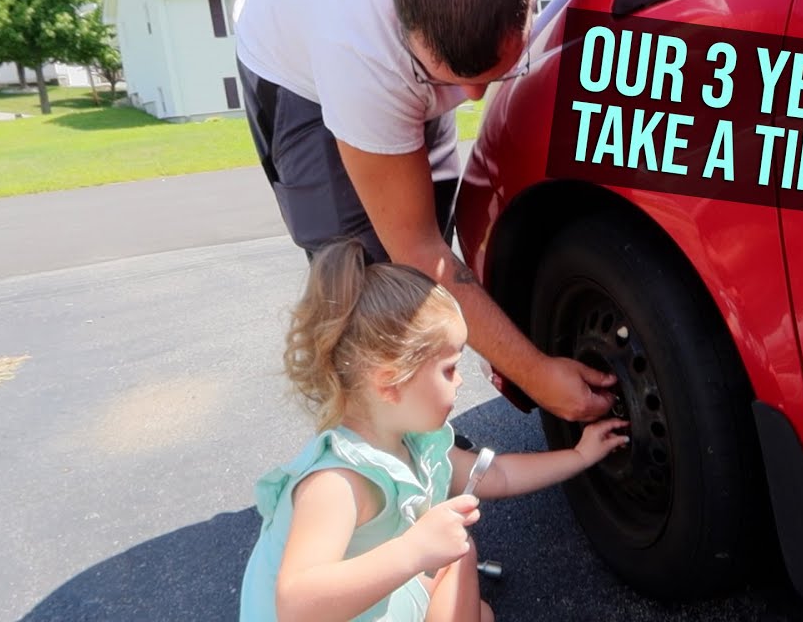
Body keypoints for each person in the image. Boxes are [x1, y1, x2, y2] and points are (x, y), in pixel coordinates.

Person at [233, 0, 627, 423]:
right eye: (448, 78)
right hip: (295, 73)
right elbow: (417, 250)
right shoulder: (359, 52)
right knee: (373, 287)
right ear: (399, 0)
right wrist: (538, 376)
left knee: (433, 269)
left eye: (496, 73)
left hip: (409, 50)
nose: (473, 98)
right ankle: (380, 459)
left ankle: (423, 419)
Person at [239, 238, 630, 622]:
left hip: (364, 605)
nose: (460, 382)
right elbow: (295, 605)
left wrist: (580, 455)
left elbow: (498, 475)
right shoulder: (337, 482)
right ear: (390, 383)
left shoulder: (413, 441)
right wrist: (412, 550)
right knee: (457, 555)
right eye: (449, 369)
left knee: (462, 570)